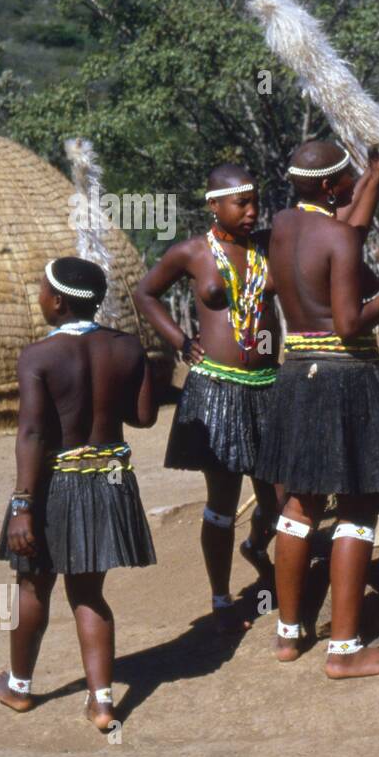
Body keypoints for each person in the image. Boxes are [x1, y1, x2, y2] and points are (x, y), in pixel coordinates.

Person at [255, 140, 379, 677]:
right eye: (349, 178)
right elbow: (351, 322)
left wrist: (375, 174)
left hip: (297, 374)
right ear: (331, 187)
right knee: (356, 507)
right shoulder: (339, 238)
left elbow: (343, 228)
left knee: (301, 504)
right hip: (345, 377)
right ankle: (345, 650)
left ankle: (288, 635)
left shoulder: (284, 225)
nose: (355, 184)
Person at [0, 257, 157, 731]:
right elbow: (144, 418)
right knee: (89, 593)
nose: (40, 296)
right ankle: (103, 704)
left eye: (43, 290)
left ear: (58, 302)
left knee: (32, 584)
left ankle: (19, 688)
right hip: (109, 481)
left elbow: (32, 435)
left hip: (52, 486)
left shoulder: (38, 357)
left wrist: (22, 504)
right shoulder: (127, 348)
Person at [134, 165, 282, 632]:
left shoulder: (266, 248)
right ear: (214, 204)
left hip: (266, 385)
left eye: (256, 202)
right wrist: (180, 341)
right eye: (242, 203)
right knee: (222, 498)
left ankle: (258, 548)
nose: (252, 211)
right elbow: (146, 293)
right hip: (216, 387)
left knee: (280, 497)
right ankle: (221, 599)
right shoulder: (192, 253)